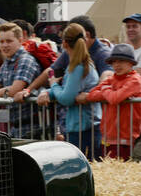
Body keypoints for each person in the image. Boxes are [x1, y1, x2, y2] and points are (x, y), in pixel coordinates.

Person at [37, 24, 102, 158]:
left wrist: (53, 85)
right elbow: (68, 91)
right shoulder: (82, 64)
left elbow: (67, 98)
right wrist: (49, 92)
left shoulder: (77, 67)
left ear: (65, 43)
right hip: (86, 125)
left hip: (82, 128)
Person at [87, 44, 141, 159]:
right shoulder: (111, 79)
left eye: (122, 61)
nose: (117, 65)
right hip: (108, 136)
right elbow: (91, 95)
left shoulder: (135, 80)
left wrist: (106, 90)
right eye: (114, 62)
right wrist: (109, 93)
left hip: (126, 138)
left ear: (131, 63)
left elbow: (114, 99)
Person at [0, 24, 42, 137]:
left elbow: (15, 89)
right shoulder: (7, 62)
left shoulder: (25, 60)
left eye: (9, 41)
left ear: (20, 40)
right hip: (15, 126)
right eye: (1, 41)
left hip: (31, 127)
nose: (4, 45)